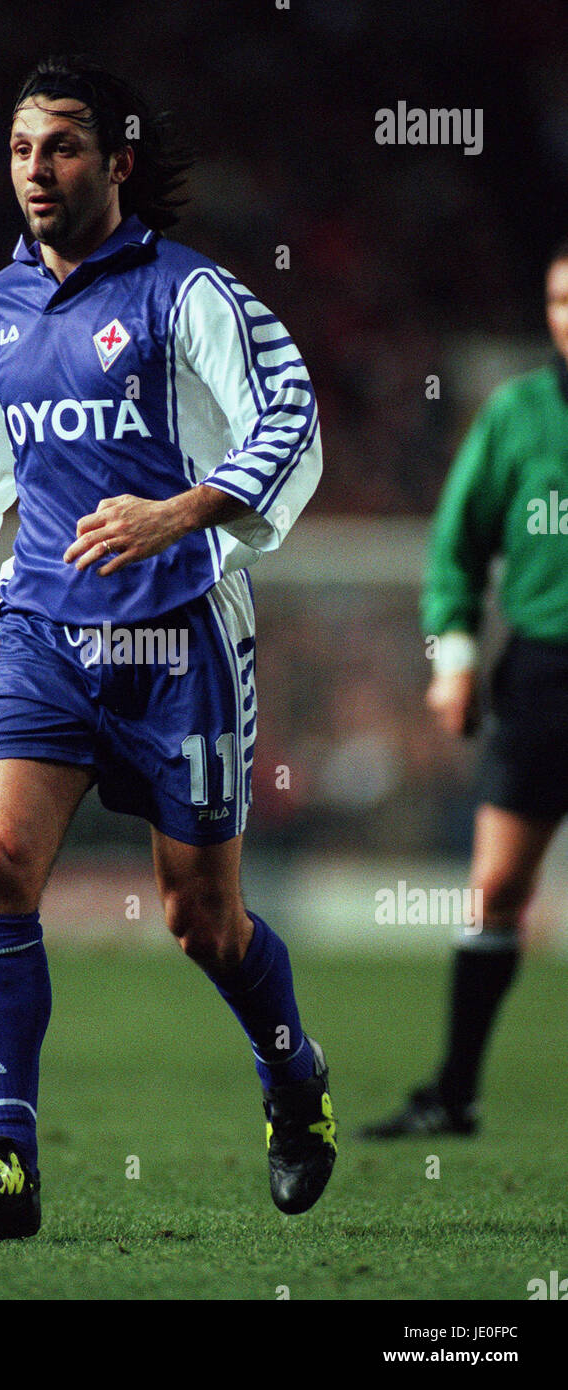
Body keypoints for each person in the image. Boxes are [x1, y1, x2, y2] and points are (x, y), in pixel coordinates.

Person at [0, 55, 335, 1238]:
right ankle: (11, 1154)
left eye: (65, 147)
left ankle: (294, 1082)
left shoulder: (187, 294)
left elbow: (287, 423)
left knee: (202, 922)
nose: (38, 170)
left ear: (118, 162)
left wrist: (176, 511)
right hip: (41, 632)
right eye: (22, 149)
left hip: (179, 639)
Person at [360, 242, 568, 1139]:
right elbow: (455, 550)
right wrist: (452, 660)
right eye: (561, 298)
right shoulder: (517, 415)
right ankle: (454, 1094)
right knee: (494, 890)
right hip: (544, 673)